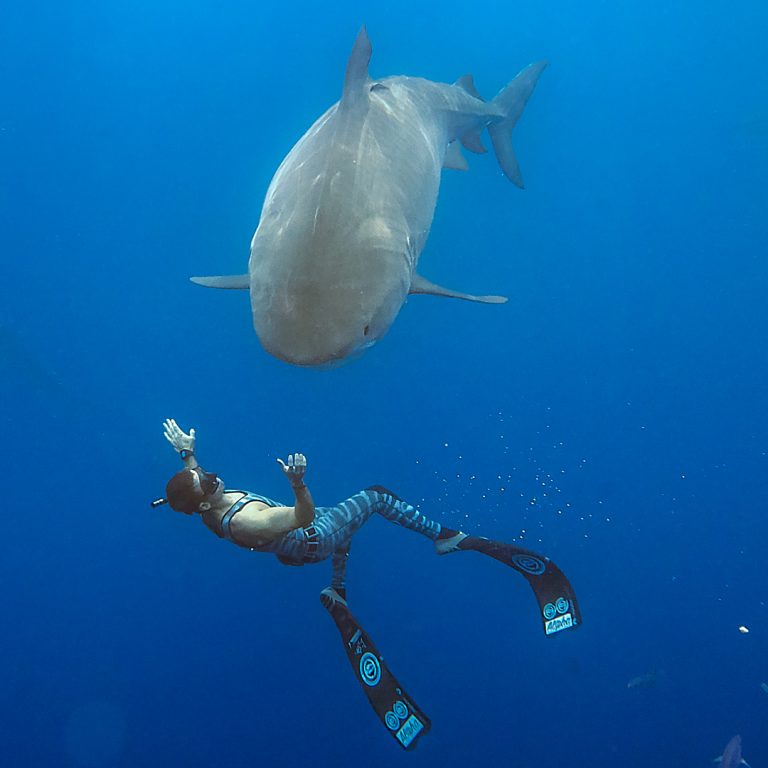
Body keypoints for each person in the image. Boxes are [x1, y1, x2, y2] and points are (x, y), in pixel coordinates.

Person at [158, 419, 468, 603]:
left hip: (295, 543)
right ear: (203, 504)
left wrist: (187, 452)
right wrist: (297, 483)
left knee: (348, 522)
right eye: (209, 483)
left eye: (208, 474)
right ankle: (443, 537)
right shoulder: (246, 521)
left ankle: (338, 589)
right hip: (313, 536)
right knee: (376, 497)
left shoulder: (204, 504)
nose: (215, 478)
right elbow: (302, 517)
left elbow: (193, 478)